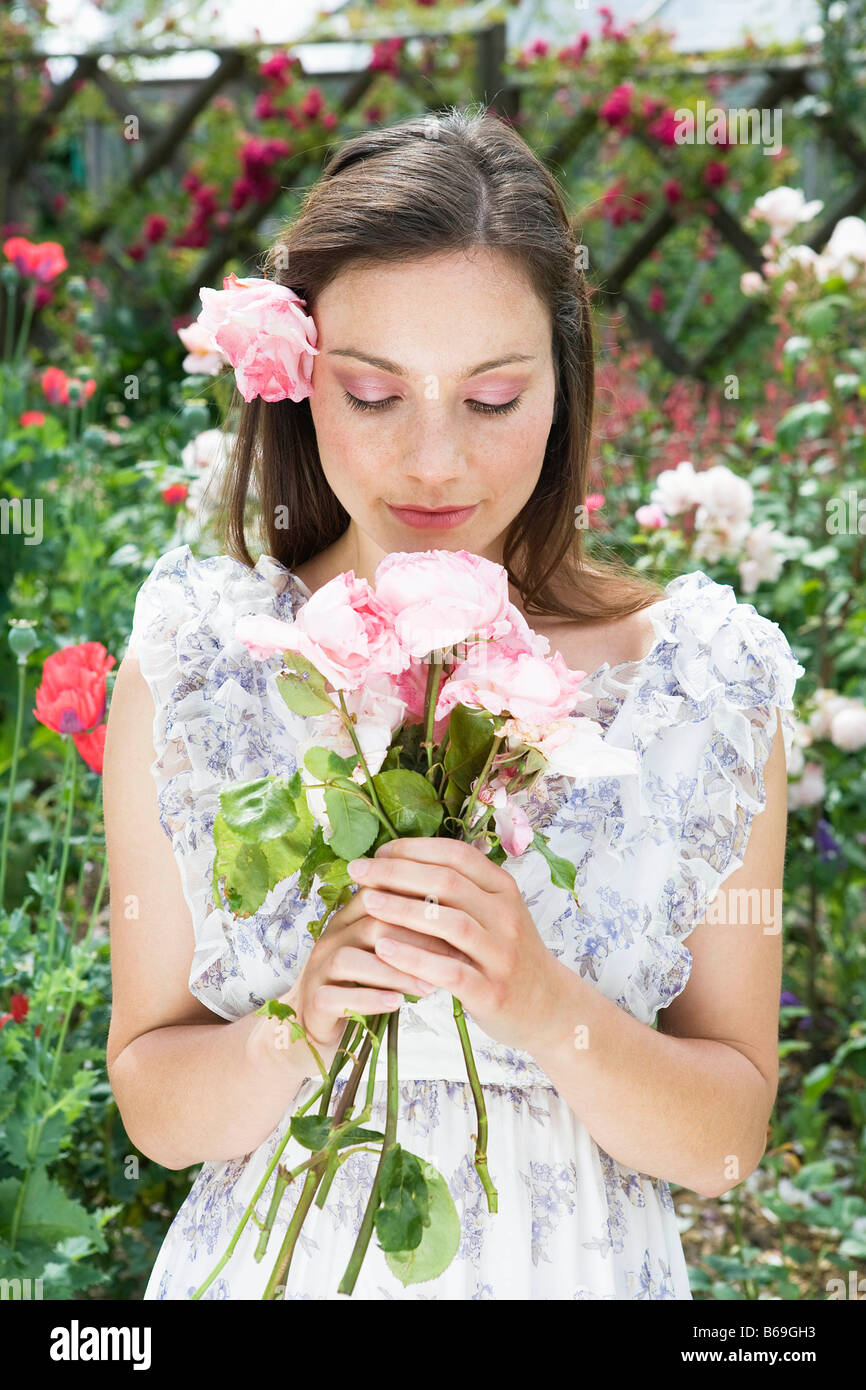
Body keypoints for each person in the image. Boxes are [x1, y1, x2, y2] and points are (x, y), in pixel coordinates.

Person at [103, 105, 803, 1300]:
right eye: (373, 394)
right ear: (300, 382)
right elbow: (159, 1109)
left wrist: (537, 998)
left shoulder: (699, 682)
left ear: (563, 387)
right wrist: (303, 1017)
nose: (434, 460)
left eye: (489, 400)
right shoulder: (202, 664)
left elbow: (726, 1139)